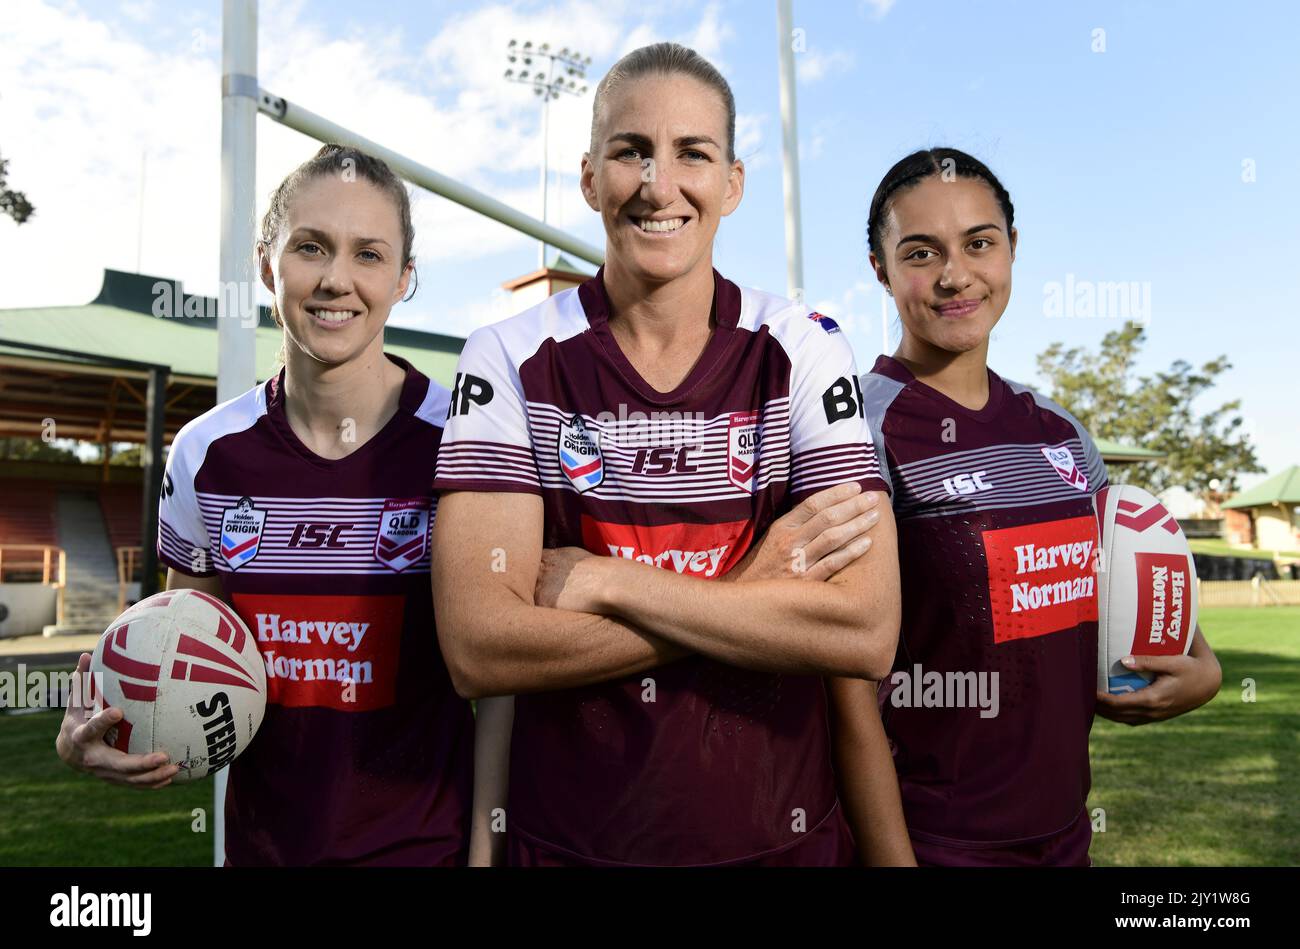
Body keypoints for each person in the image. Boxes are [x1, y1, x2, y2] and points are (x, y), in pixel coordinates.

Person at [432, 42, 911, 868]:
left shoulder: (801, 344)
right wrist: (753, 588)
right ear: (590, 179)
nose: (660, 186)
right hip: (569, 850)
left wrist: (613, 583)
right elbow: (480, 648)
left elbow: (865, 629)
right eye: (632, 152)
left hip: (782, 846)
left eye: (693, 153)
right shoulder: (508, 356)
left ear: (732, 182)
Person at [55, 145, 474, 866]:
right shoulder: (205, 453)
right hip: (261, 851)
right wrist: (101, 726)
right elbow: (182, 648)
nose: (336, 279)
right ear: (266, 265)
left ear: (404, 278)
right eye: (310, 246)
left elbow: (499, 690)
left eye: (368, 254)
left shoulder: (463, 440)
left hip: (428, 851)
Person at [858, 147, 1223, 866]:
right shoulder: (862, 430)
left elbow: (1132, 574)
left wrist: (1205, 670)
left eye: (979, 243)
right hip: (934, 844)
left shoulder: (1060, 431)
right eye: (921, 253)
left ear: (1012, 248)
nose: (955, 275)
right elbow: (842, 686)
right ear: (881, 269)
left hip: (1065, 838)